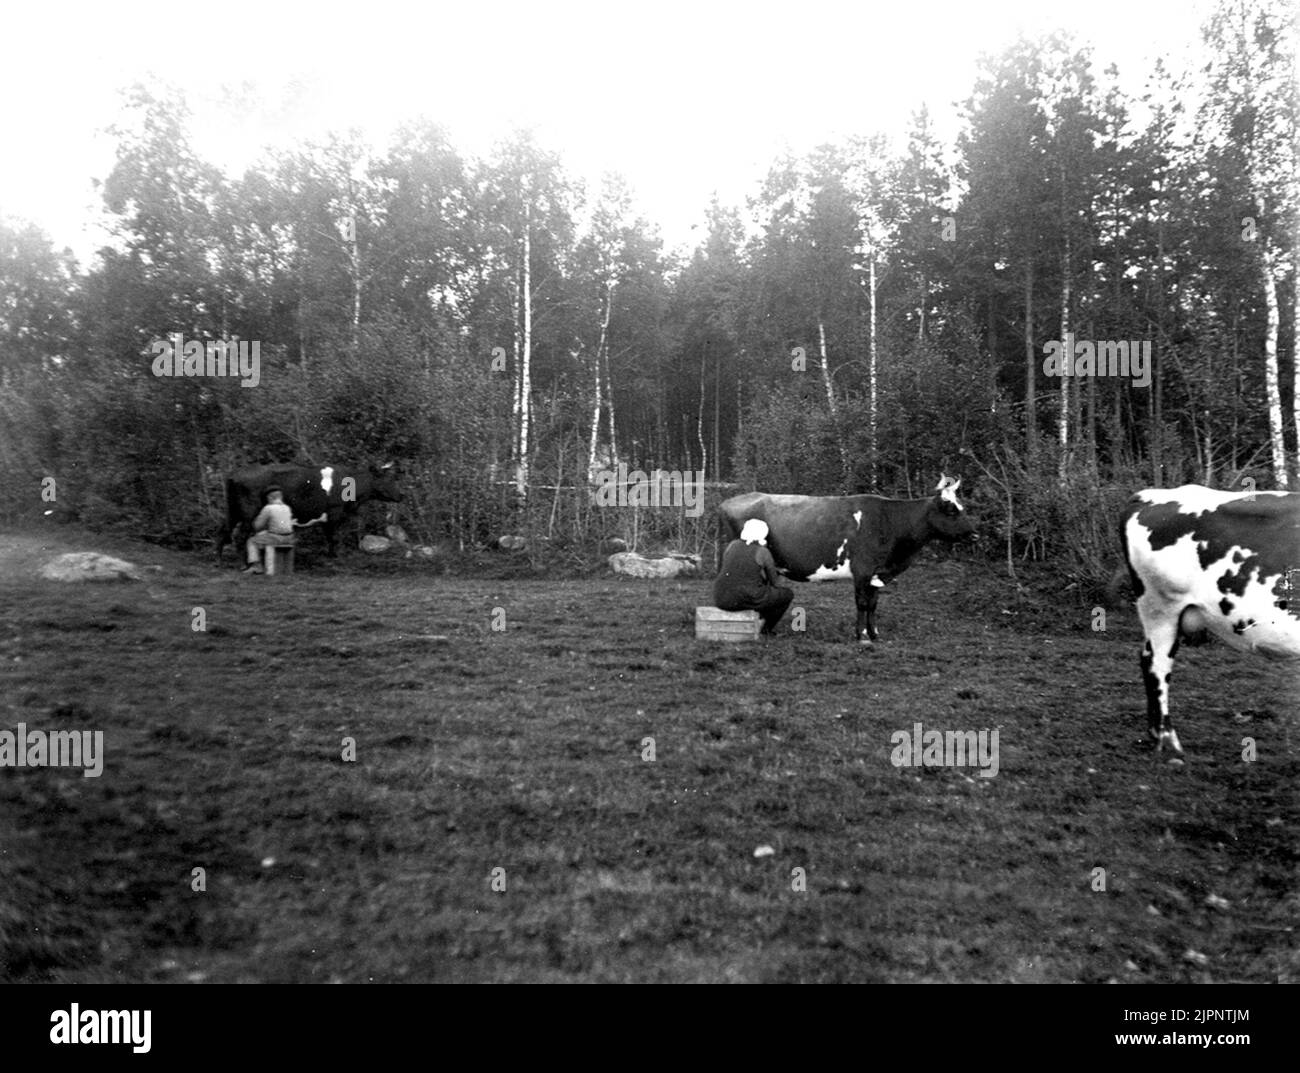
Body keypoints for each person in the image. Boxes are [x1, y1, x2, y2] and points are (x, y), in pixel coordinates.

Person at [714, 518, 794, 636]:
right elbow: (775, 583)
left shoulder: (732, 545)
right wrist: (777, 572)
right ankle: (766, 630)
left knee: (756, 587)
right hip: (744, 598)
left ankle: (759, 617)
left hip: (720, 598)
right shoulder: (762, 551)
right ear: (763, 534)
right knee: (786, 594)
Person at [243, 487, 320, 573]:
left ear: (270, 497)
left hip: (275, 538)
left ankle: (256, 565)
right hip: (289, 538)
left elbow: (257, 526)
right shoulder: (287, 508)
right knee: (264, 536)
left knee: (252, 541)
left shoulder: (268, 508)